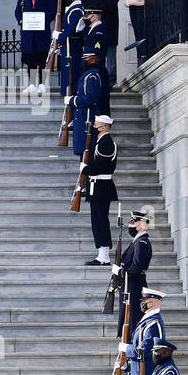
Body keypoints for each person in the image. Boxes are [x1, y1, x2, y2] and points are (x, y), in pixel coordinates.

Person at [14, 0, 57, 94]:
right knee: (30, 58)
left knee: (42, 57)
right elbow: (17, 11)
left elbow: (52, 11)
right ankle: (32, 84)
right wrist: (21, 20)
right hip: (27, 31)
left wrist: (43, 19)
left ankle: (42, 84)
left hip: (41, 31)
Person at [81, 112, 117, 267]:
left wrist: (86, 169)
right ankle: (102, 255)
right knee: (98, 221)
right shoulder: (102, 141)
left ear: (104, 126)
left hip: (101, 187)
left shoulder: (106, 142)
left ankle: (104, 257)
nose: (94, 126)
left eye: (97, 124)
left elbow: (101, 166)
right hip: (98, 187)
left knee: (100, 221)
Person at [84, 0, 122, 83]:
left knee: (110, 49)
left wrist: (100, 12)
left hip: (108, 17)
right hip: (92, 20)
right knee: (94, 49)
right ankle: (94, 78)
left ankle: (110, 80)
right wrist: (90, 14)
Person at [115, 209, 152, 339]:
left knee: (133, 320)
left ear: (140, 224)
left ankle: (132, 352)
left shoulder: (141, 242)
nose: (131, 226)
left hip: (134, 287)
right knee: (128, 320)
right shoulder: (137, 241)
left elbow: (136, 266)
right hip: (130, 286)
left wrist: (120, 272)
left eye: (133, 223)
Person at [57, 0, 87, 109]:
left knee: (71, 74)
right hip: (69, 47)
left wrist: (59, 36)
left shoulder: (76, 10)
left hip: (72, 47)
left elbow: (70, 31)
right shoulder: (75, 9)